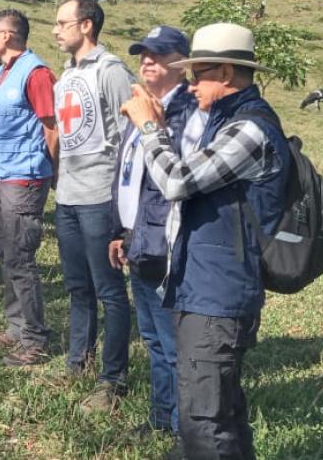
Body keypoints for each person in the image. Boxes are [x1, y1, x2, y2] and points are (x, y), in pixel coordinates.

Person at [120, 23, 290, 460]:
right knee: (223, 413)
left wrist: (150, 128)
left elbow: (176, 181)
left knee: (204, 419)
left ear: (228, 73)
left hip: (219, 294)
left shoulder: (249, 130)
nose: (192, 84)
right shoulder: (225, 122)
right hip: (203, 285)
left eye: (200, 74)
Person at [108, 26, 199, 439]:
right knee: (153, 339)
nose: (147, 60)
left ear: (182, 62)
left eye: (159, 54)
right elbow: (128, 175)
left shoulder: (189, 111)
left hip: (165, 244)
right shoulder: (143, 105)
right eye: (143, 53)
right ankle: (161, 418)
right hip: (138, 239)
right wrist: (120, 232)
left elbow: (177, 176)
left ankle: (183, 431)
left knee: (172, 342)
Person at [51, 0, 136, 410]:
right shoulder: (65, 75)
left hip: (100, 197)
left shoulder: (111, 70)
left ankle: (113, 377)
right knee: (77, 286)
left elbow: (129, 135)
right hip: (67, 195)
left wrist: (122, 208)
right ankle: (77, 361)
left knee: (109, 290)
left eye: (62, 23)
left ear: (86, 25)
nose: (55, 30)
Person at [0, 9, 58, 366]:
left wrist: (53, 170)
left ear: (7, 35)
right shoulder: (1, 73)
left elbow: (51, 126)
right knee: (6, 253)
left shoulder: (36, 73)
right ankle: (15, 326)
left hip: (24, 177)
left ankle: (35, 338)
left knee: (21, 257)